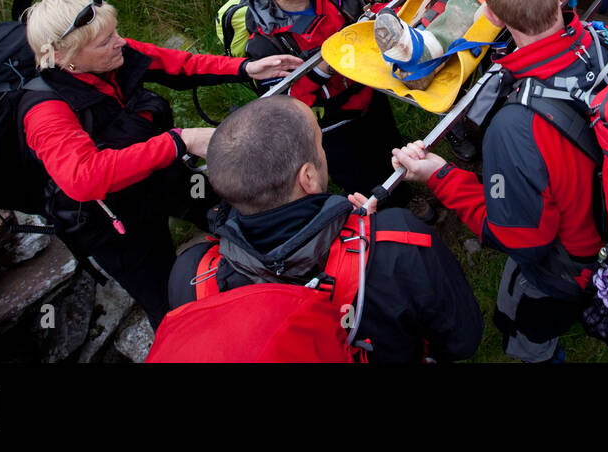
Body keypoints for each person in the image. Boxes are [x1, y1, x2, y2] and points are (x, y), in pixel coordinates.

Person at [19, 0, 291, 325]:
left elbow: (180, 66)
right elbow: (83, 178)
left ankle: (281, 286)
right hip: (114, 222)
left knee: (243, 217)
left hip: (162, 177)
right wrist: (180, 142)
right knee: (170, 309)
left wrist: (246, 67)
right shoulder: (45, 112)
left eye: (115, 32)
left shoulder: (113, 54)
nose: (121, 42)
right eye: (106, 41)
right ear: (65, 57)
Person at [390, 0, 602, 362]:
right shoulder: (606, 44)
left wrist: (440, 175)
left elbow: (521, 239)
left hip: (568, 264)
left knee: (529, 335)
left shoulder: (515, 127)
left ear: (492, 17)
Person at [162, 95, 483, 363]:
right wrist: (371, 234)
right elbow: (462, 339)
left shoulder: (192, 275)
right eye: (319, 143)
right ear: (308, 178)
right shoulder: (398, 237)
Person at [238, 0, 405, 203]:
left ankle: (406, 193)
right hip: (332, 125)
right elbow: (286, 107)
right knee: (361, 175)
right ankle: (383, 218)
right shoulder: (266, 45)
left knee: (389, 146)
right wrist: (323, 68)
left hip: (371, 92)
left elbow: (372, 8)